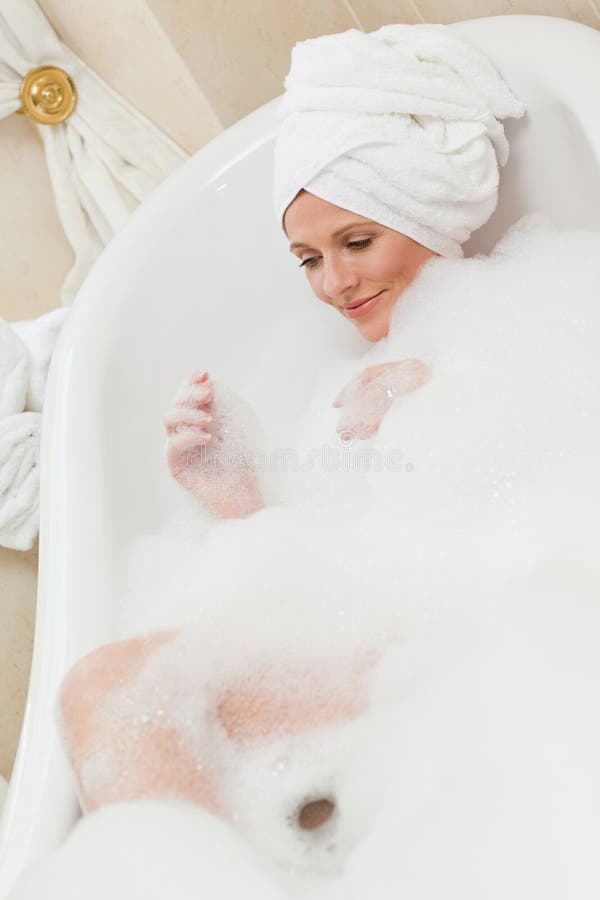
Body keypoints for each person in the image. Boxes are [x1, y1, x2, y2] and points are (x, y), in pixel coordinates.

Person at [59, 24, 524, 832]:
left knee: (112, 689)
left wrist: (436, 396)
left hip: (492, 650)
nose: (333, 282)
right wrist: (237, 503)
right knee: (113, 690)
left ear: (425, 211)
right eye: (308, 259)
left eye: (357, 242)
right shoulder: (343, 376)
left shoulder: (519, 325)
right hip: (414, 665)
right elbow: (331, 578)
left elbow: (527, 521)